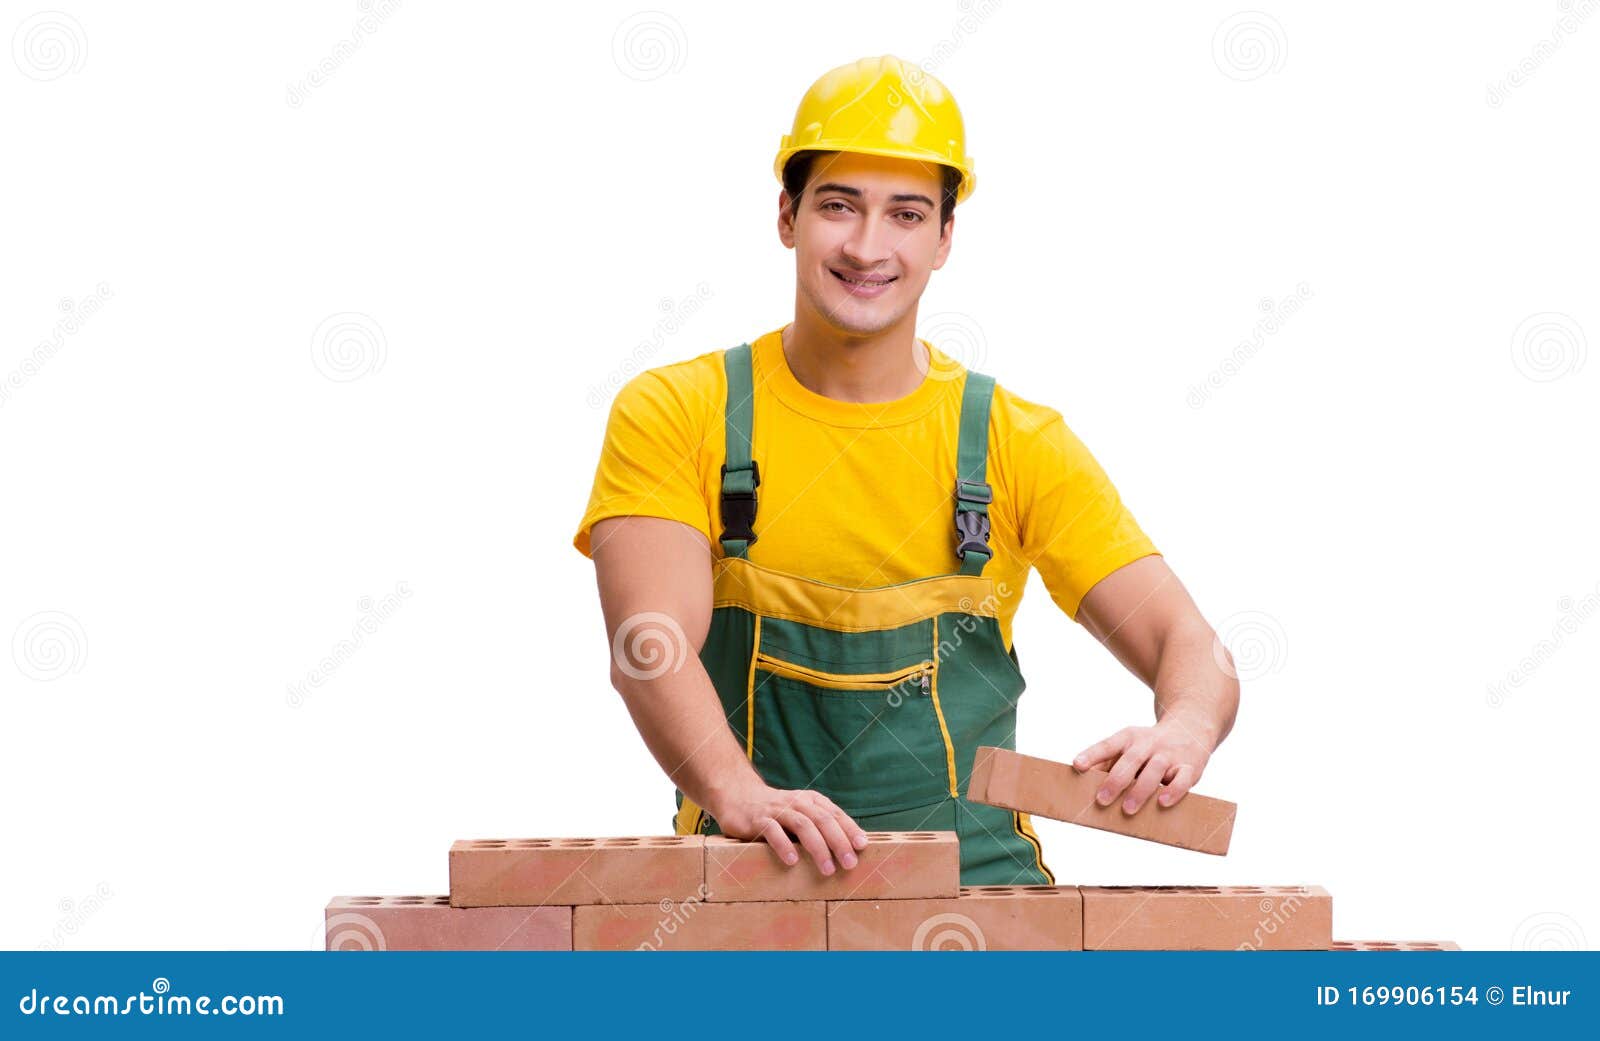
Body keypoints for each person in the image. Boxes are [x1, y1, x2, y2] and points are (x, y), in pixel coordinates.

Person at [572, 55, 1239, 884]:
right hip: (747, 889)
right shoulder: (680, 411)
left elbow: (1188, 642)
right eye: (838, 205)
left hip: (977, 902)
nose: (866, 246)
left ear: (944, 238)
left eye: (906, 214)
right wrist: (735, 791)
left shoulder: (1013, 440)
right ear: (787, 215)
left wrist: (1183, 729)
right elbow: (650, 643)